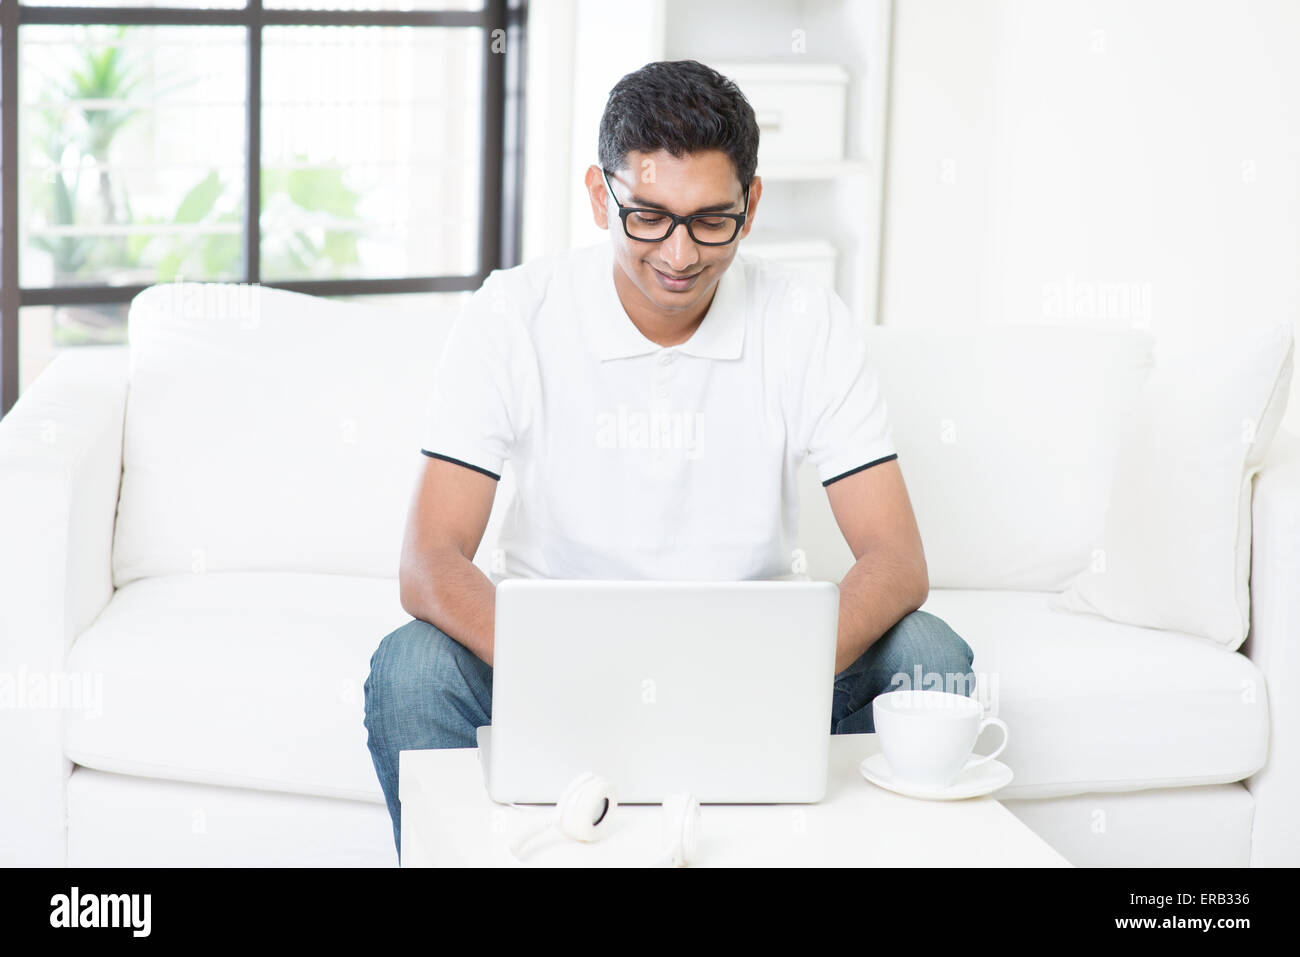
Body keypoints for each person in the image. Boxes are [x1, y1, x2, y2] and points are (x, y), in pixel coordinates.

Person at [364, 59, 975, 858]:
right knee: (411, 667)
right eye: (648, 216)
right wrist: (586, 675)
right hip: (558, 676)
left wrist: (753, 671)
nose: (679, 254)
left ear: (751, 206)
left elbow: (896, 560)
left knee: (931, 653)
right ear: (598, 195)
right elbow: (429, 561)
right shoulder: (514, 313)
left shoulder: (805, 321)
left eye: (710, 219)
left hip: (752, 677)